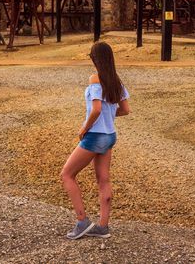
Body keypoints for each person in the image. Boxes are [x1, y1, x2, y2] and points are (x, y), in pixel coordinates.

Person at [60, 40, 130, 240]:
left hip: (95, 135)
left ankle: (82, 221)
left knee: (67, 174)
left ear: (95, 59)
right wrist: (109, 116)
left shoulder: (95, 79)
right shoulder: (116, 81)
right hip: (110, 136)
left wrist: (85, 127)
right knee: (103, 180)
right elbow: (125, 110)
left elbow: (97, 108)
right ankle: (102, 226)